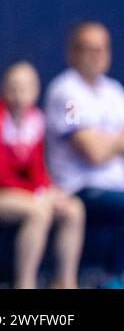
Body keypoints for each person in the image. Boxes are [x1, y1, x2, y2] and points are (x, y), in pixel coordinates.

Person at [0, 61, 84, 288]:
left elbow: (36, 169)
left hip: (20, 193)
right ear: (2, 89)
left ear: (35, 91)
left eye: (24, 88)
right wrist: (38, 195)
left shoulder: (36, 120)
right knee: (39, 212)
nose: (18, 95)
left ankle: (65, 282)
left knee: (73, 209)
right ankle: (25, 283)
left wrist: (48, 191)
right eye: (12, 88)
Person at [44, 21, 124, 285]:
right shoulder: (65, 94)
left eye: (102, 49)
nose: (97, 55)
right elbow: (93, 153)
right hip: (79, 188)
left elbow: (101, 147)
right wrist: (113, 142)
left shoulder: (115, 92)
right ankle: (115, 279)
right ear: (72, 54)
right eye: (89, 49)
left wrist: (104, 142)